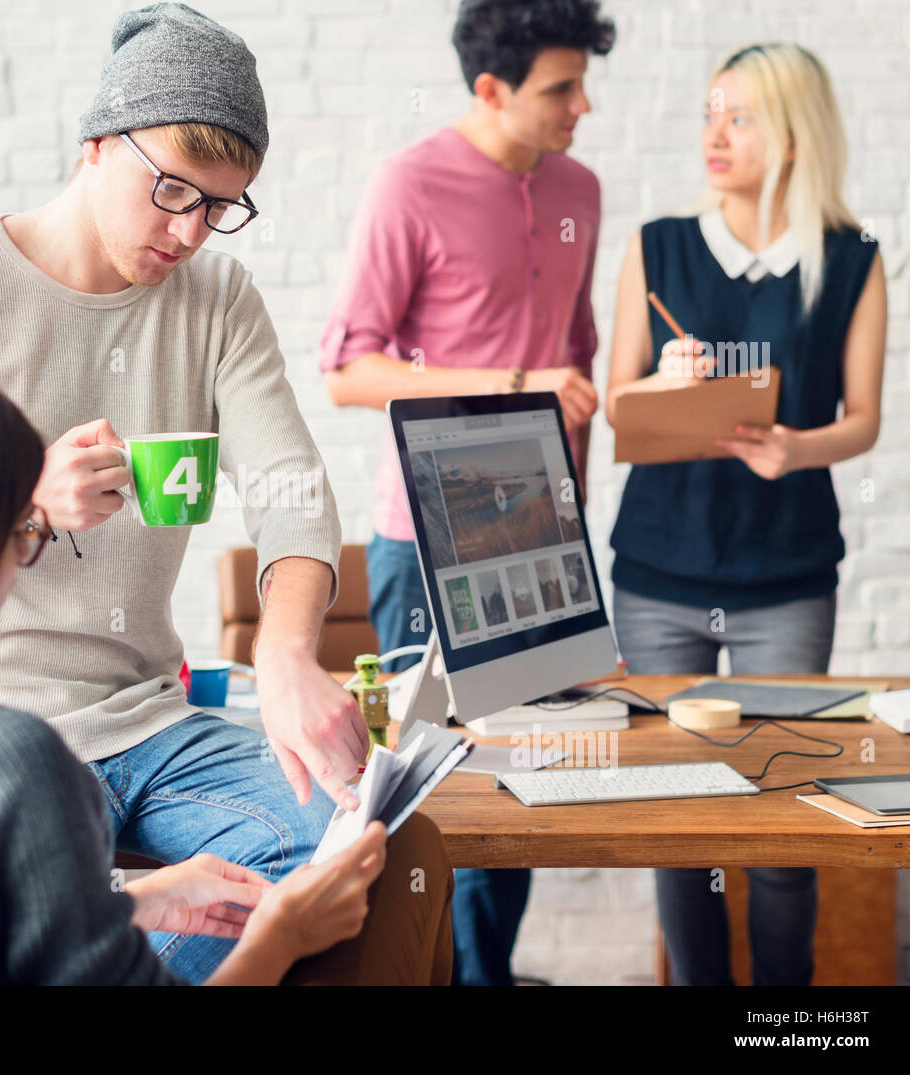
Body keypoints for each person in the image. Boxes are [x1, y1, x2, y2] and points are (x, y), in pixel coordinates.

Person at [0, 4, 371, 984]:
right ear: (94, 142)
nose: (188, 230)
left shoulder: (218, 301)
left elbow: (294, 492)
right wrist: (18, 502)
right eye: (170, 189)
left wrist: (292, 657)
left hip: (154, 717)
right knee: (49, 920)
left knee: (346, 849)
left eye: (219, 206)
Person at [0, 363, 456, 986]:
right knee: (397, 866)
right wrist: (283, 934)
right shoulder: (16, 764)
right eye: (25, 531)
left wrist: (120, 899)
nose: (25, 556)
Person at [320, 0, 615, 986]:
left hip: (541, 542)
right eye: (559, 89)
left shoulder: (580, 187)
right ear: (489, 89)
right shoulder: (410, 183)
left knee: (525, 785)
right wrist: (513, 385)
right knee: (429, 798)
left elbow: (576, 355)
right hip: (425, 535)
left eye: (581, 81)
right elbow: (347, 370)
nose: (581, 105)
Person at [605, 43, 886, 986]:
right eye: (710, 114)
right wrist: (657, 382)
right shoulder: (657, 243)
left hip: (786, 576)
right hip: (659, 571)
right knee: (680, 818)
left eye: (741, 118)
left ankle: (780, 1014)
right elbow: (614, 405)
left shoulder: (852, 258)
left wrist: (794, 448)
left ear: (797, 135)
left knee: (782, 817)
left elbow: (863, 421)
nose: (715, 136)